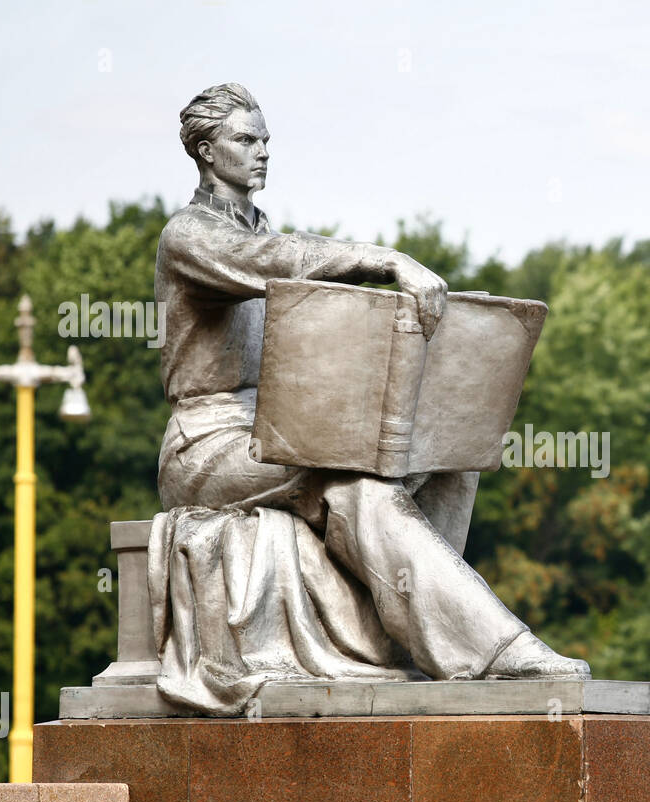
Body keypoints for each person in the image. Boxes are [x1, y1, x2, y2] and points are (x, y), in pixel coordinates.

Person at [153, 82, 588, 688]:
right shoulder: (192, 235)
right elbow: (276, 261)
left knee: (447, 455)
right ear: (205, 151)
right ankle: (494, 651)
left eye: (265, 140)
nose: (262, 151)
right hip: (207, 446)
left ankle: (423, 632)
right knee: (352, 478)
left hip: (271, 431)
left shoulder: (258, 228)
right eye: (244, 139)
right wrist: (386, 261)